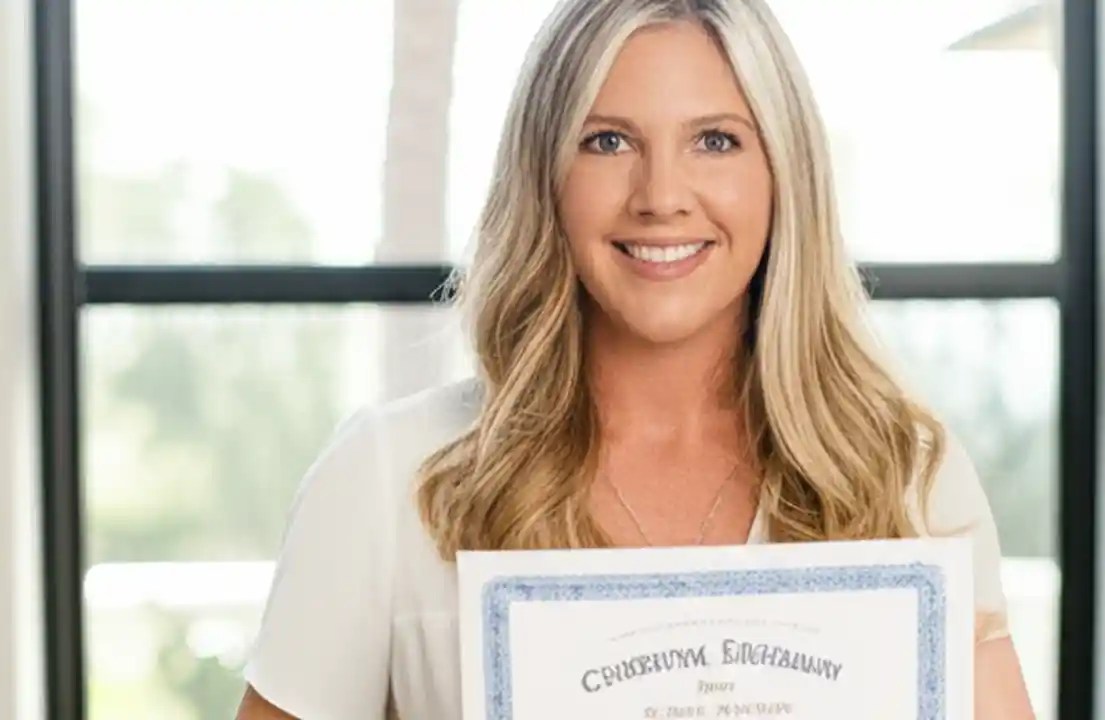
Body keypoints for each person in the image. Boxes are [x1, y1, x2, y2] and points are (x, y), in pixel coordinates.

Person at [236, 0, 1036, 717]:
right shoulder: (387, 479)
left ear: (783, 177)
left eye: (716, 141)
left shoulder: (906, 474)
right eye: (608, 140)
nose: (660, 195)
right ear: (543, 175)